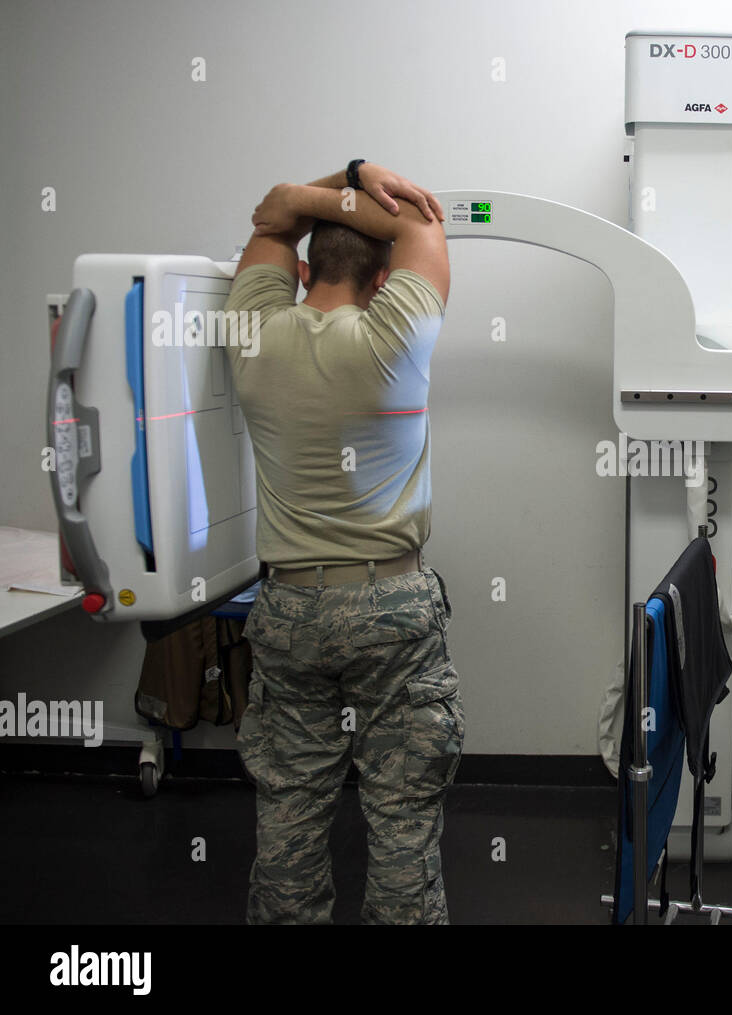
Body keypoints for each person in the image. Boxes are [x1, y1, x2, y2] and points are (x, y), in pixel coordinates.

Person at [224, 161, 461, 924]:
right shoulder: (398, 333)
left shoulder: (254, 332)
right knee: (401, 819)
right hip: (391, 602)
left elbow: (271, 219)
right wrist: (355, 188)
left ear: (303, 269)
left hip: (288, 604)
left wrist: (326, 186)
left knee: (289, 808)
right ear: (384, 275)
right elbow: (422, 224)